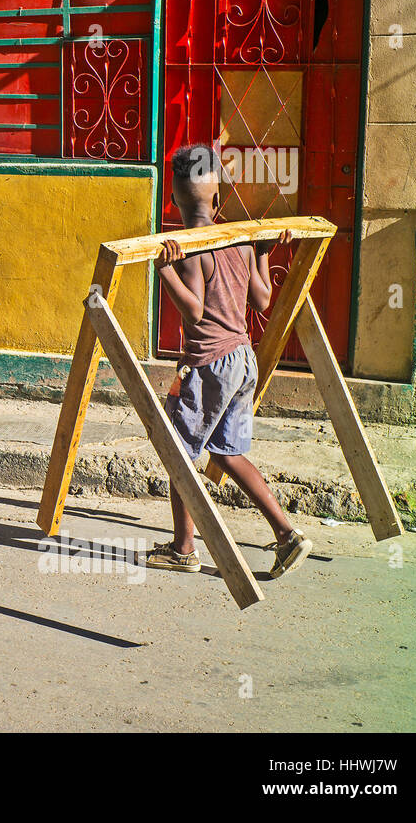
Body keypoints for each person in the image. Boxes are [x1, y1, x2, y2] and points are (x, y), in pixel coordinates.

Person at [148, 143, 312, 578]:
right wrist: (260, 251)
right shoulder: (235, 239)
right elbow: (261, 299)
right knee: (226, 452)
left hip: (208, 365)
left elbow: (195, 312)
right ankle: (286, 535)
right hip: (242, 360)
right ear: (218, 200)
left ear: (174, 200)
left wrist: (164, 270)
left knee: (179, 454)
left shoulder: (188, 248)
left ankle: (184, 549)